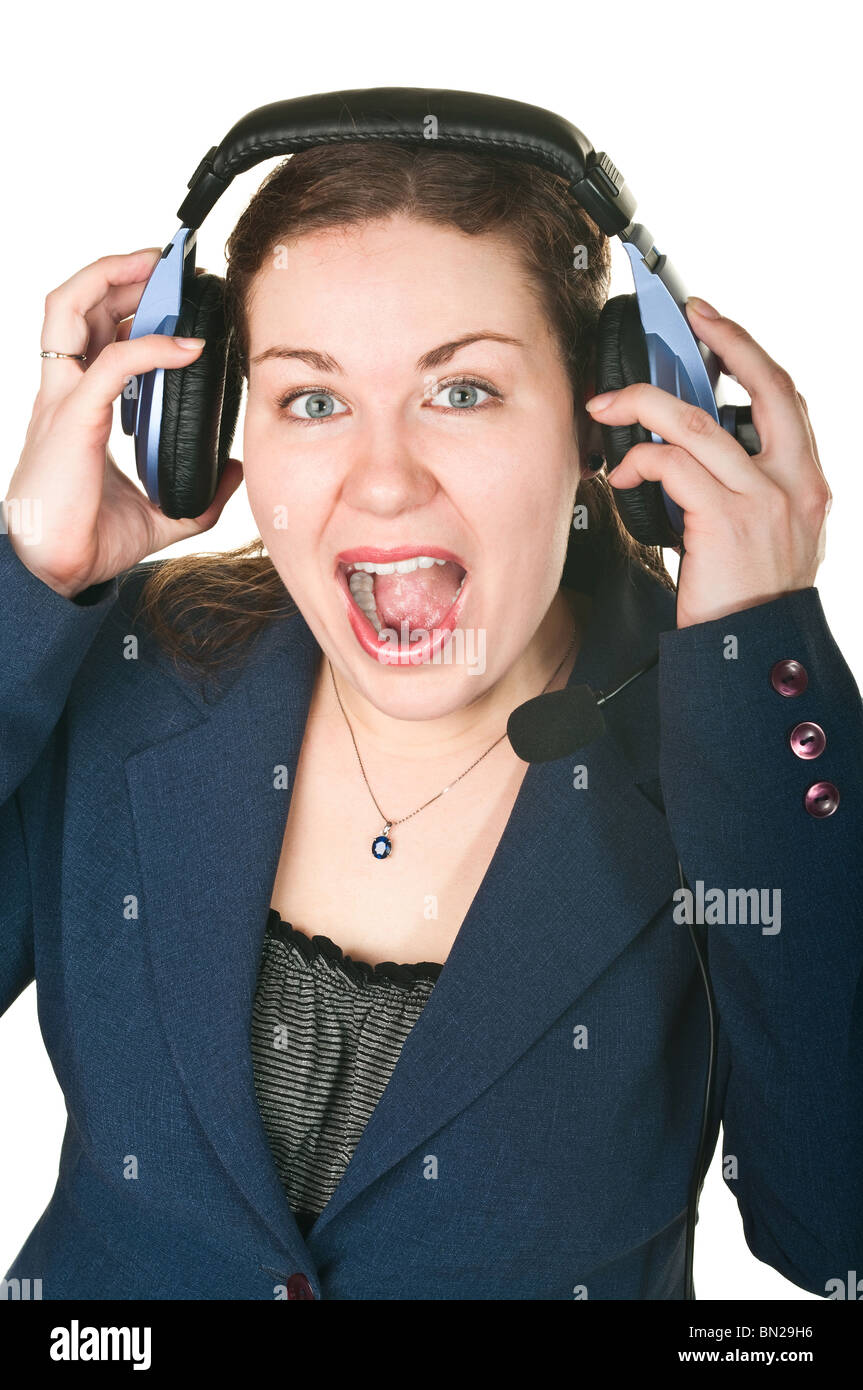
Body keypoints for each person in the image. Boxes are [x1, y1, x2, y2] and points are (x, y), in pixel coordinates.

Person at [1, 143, 860, 1300]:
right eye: (313, 399)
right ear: (214, 433)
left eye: (462, 391)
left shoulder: (729, 746)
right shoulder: (133, 667)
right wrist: (28, 582)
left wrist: (761, 646)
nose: (384, 477)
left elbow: (837, 1231)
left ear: (598, 440)